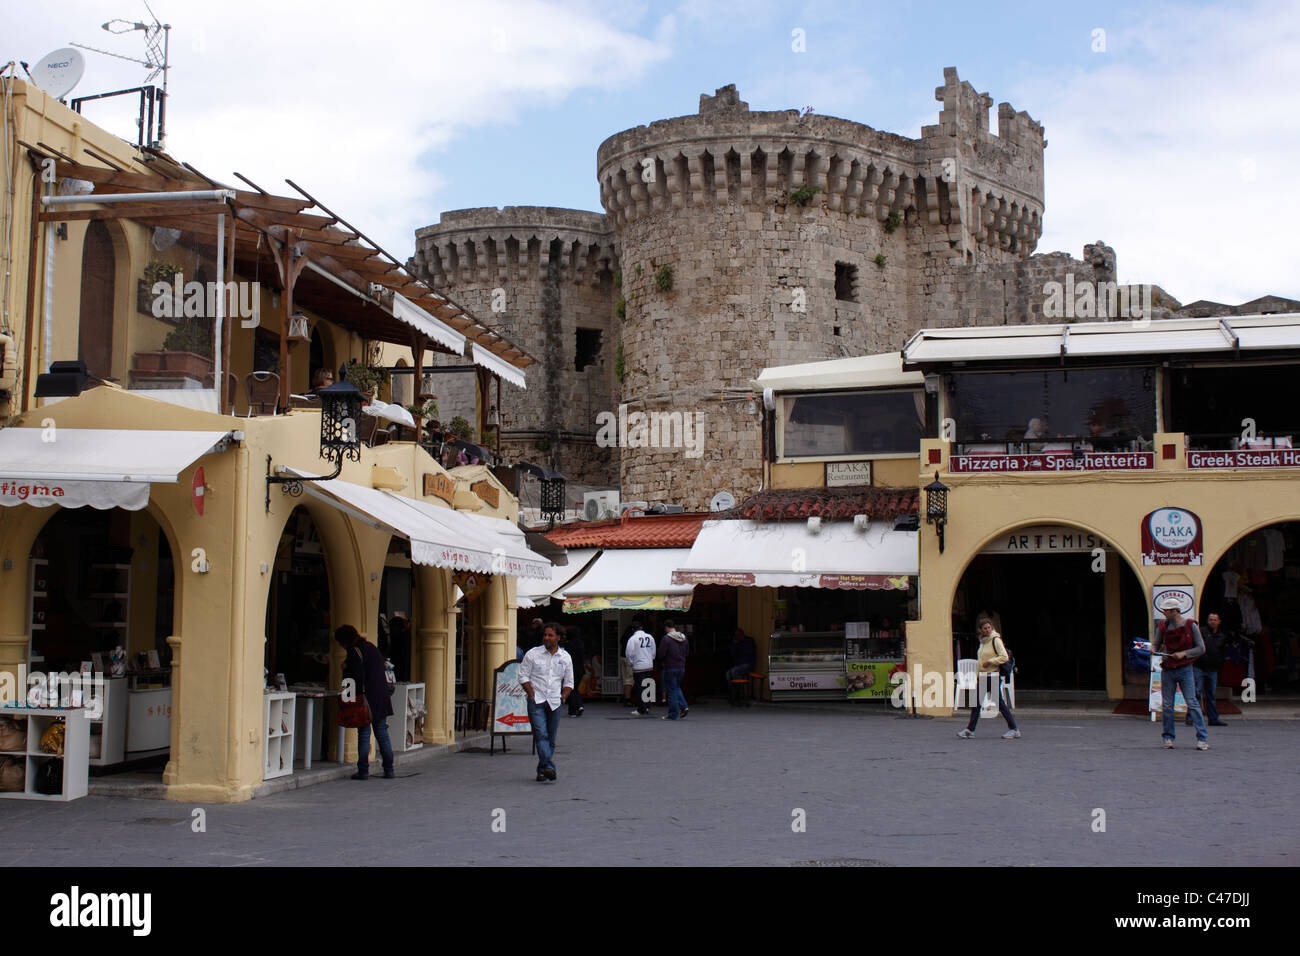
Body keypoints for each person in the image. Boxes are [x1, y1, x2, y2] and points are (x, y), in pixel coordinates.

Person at [335, 624, 395, 779]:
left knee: (363, 733)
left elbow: (354, 678)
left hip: (365, 699)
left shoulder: (354, 652)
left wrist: (346, 692)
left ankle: (363, 770)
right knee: (382, 733)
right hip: (380, 696)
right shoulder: (371, 647)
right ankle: (389, 769)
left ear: (344, 641)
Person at [517, 622, 574, 781]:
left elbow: (569, 682)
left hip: (555, 702)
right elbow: (522, 675)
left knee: (551, 738)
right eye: (545, 635)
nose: (547, 638)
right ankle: (549, 766)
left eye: (550, 635)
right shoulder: (532, 654)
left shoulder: (565, 657)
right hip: (537, 700)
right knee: (541, 735)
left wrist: (564, 696)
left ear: (558, 637)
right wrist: (531, 693)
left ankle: (542, 770)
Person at [1152, 596, 1209, 750]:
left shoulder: (1191, 625)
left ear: (1174, 611)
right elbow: (1156, 644)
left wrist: (1184, 653)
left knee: (1192, 702)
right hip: (1169, 668)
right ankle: (1168, 737)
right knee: (1167, 705)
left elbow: (1201, 648)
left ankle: (1202, 738)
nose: (1164, 613)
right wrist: (1152, 649)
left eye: (1166, 611)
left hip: (1185, 668)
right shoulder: (1162, 626)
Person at [957, 616, 1020, 739]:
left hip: (993, 676)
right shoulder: (983, 642)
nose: (987, 630)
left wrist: (990, 661)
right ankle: (970, 730)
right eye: (984, 628)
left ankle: (1014, 728)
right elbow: (980, 660)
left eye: (988, 627)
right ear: (980, 630)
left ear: (992, 628)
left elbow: (1004, 657)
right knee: (976, 704)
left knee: (999, 704)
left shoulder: (995, 640)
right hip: (983, 676)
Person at [1192, 612, 1229, 727]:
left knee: (1211, 695)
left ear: (1219, 622)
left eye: (1215, 620)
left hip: (1213, 669)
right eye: (1210, 619)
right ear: (1207, 621)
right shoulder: (1201, 632)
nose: (1212, 622)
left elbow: (1223, 652)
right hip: (1199, 666)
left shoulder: (1222, 636)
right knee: (1196, 692)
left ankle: (1213, 718)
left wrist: (1219, 664)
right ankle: (1192, 717)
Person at [657, 620, 690, 720]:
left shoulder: (666, 639)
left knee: (671, 690)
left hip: (670, 666)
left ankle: (673, 714)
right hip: (681, 667)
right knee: (676, 687)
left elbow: (661, 654)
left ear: (666, 628)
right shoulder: (684, 638)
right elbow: (687, 653)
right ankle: (684, 707)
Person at [625, 619, 656, 715]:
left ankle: (641, 708)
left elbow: (629, 653)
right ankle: (648, 706)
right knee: (649, 685)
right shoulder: (650, 637)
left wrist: (632, 662)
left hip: (639, 666)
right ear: (641, 627)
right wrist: (651, 659)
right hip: (649, 664)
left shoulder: (633, 639)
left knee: (640, 687)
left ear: (633, 629)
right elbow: (653, 651)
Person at [726, 627, 757, 706]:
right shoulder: (737, 643)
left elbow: (749, 655)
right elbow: (732, 654)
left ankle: (738, 693)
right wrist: (735, 645)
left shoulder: (749, 641)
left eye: (738, 635)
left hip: (748, 664)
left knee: (734, 671)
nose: (737, 637)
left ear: (741, 634)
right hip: (739, 665)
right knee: (728, 674)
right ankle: (732, 692)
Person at [565, 626, 585, 717]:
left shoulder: (569, 644)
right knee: (575, 688)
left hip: (571, 669)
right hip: (580, 669)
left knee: (571, 689)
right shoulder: (581, 643)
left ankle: (573, 709)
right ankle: (579, 705)